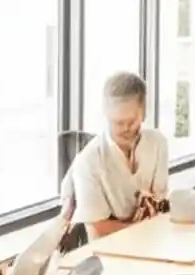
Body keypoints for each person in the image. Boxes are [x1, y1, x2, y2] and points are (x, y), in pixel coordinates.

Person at [62, 72, 170, 240]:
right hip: (108, 251)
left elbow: (158, 202)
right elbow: (98, 229)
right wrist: (145, 230)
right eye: (118, 122)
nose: (126, 128)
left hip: (150, 241)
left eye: (132, 120)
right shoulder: (88, 161)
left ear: (143, 111)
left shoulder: (158, 143)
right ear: (105, 112)